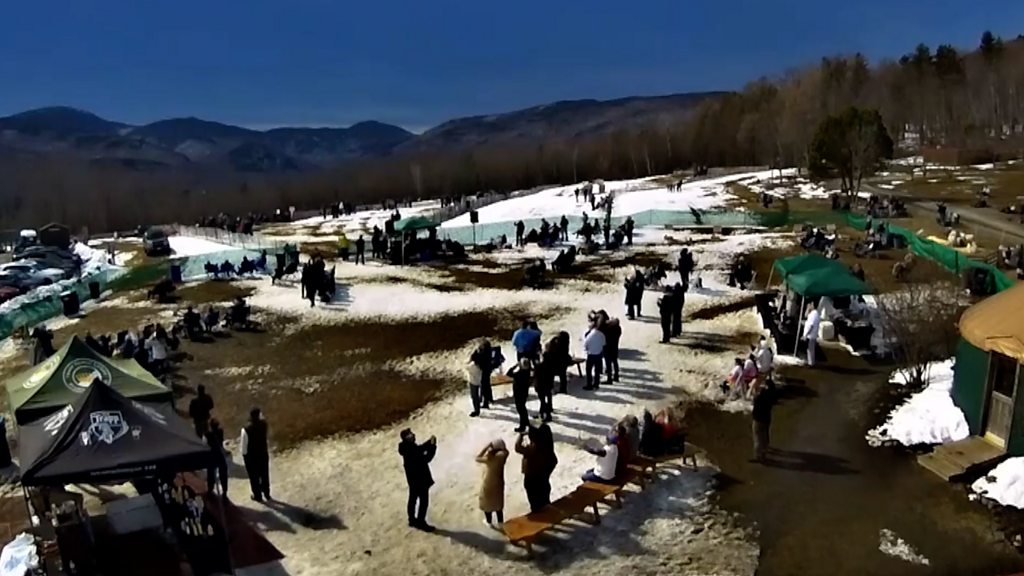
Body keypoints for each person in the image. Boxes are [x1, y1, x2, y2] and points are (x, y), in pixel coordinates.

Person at [398, 429, 437, 532]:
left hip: (413, 480)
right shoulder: (412, 450)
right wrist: (432, 447)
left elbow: (420, 449)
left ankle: (412, 519)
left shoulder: (406, 448)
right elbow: (426, 458)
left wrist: (429, 442)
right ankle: (421, 522)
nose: (412, 436)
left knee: (413, 499)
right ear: (407, 439)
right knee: (423, 502)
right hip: (421, 480)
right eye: (410, 436)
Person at [515, 424, 557, 513]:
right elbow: (554, 461)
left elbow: (518, 447)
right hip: (543, 480)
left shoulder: (534, 448)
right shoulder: (548, 447)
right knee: (544, 501)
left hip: (532, 480)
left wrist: (521, 435)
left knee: (535, 504)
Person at [475, 439, 508, 528]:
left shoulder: (490, 458)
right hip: (499, 482)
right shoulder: (504, 456)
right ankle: (500, 522)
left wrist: (486, 447)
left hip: (488, 482)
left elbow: (477, 458)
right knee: (498, 502)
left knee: (487, 502)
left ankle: (489, 522)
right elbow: (505, 450)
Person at [240, 408, 271, 502]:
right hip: (263, 453)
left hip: (251, 456)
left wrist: (244, 455)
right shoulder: (264, 425)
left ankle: (258, 496)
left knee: (254, 477)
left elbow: (244, 446)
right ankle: (267, 493)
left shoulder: (246, 429)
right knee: (264, 474)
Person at [751, 380, 775, 463]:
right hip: (767, 418)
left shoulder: (760, 396)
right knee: (765, 435)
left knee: (757, 438)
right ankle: (765, 449)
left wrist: (755, 389)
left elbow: (753, 398)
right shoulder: (771, 395)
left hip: (758, 419)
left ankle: (759, 456)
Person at [508, 358, 534, 433]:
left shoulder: (519, 374)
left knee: (521, 409)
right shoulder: (527, 372)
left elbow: (509, 373)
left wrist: (515, 366)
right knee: (523, 408)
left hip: (518, 394)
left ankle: (522, 426)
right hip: (524, 393)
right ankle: (526, 422)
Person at [205, 419, 229, 496]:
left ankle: (210, 488)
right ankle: (224, 490)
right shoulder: (220, 431)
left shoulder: (207, 434)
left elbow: (204, 444)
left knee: (211, 473)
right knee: (223, 473)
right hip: (220, 454)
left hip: (211, 455)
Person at [536, 341, 556, 422]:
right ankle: (544, 412)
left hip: (541, 385)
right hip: (549, 383)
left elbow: (536, 376)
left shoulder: (540, 366)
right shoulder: (551, 364)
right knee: (548, 396)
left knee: (542, 400)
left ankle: (547, 415)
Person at [582, 323, 606, 391]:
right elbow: (604, 343)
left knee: (589, 370)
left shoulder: (589, 336)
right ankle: (596, 384)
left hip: (591, 355)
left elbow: (585, 346)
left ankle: (589, 384)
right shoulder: (601, 334)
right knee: (597, 370)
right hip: (599, 355)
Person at [601, 314, 621, 384]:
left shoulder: (608, 331)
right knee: (615, 362)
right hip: (615, 348)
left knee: (608, 364)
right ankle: (616, 376)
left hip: (607, 348)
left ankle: (609, 379)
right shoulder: (618, 330)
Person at [803, 302, 821, 366]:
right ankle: (810, 362)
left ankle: (811, 363)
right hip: (811, 335)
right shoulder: (813, 313)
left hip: (811, 335)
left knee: (811, 349)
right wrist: (808, 310)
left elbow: (811, 325)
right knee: (809, 349)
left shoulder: (814, 314)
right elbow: (805, 316)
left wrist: (806, 335)